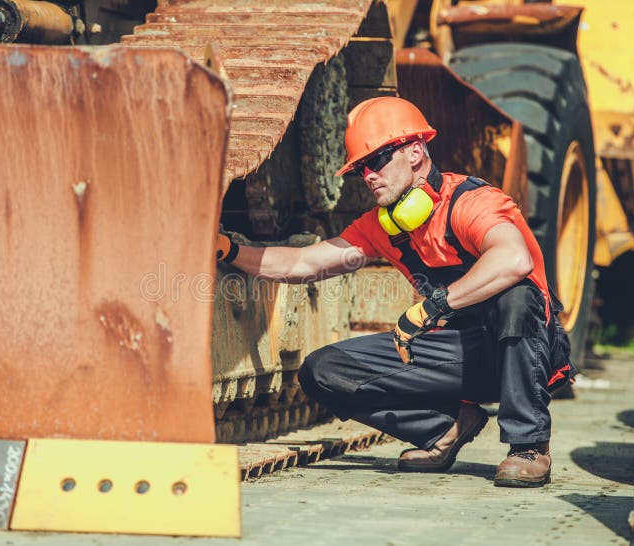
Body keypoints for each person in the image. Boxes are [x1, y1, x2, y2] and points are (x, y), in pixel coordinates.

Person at [215, 96, 575, 488]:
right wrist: (229, 250)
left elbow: (513, 259)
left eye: (377, 160)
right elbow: (302, 264)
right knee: (323, 371)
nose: (368, 175)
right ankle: (446, 428)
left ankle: (529, 446)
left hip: (528, 349)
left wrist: (433, 306)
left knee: (515, 297)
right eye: (361, 169)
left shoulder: (470, 202)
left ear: (416, 151)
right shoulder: (385, 228)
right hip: (462, 355)